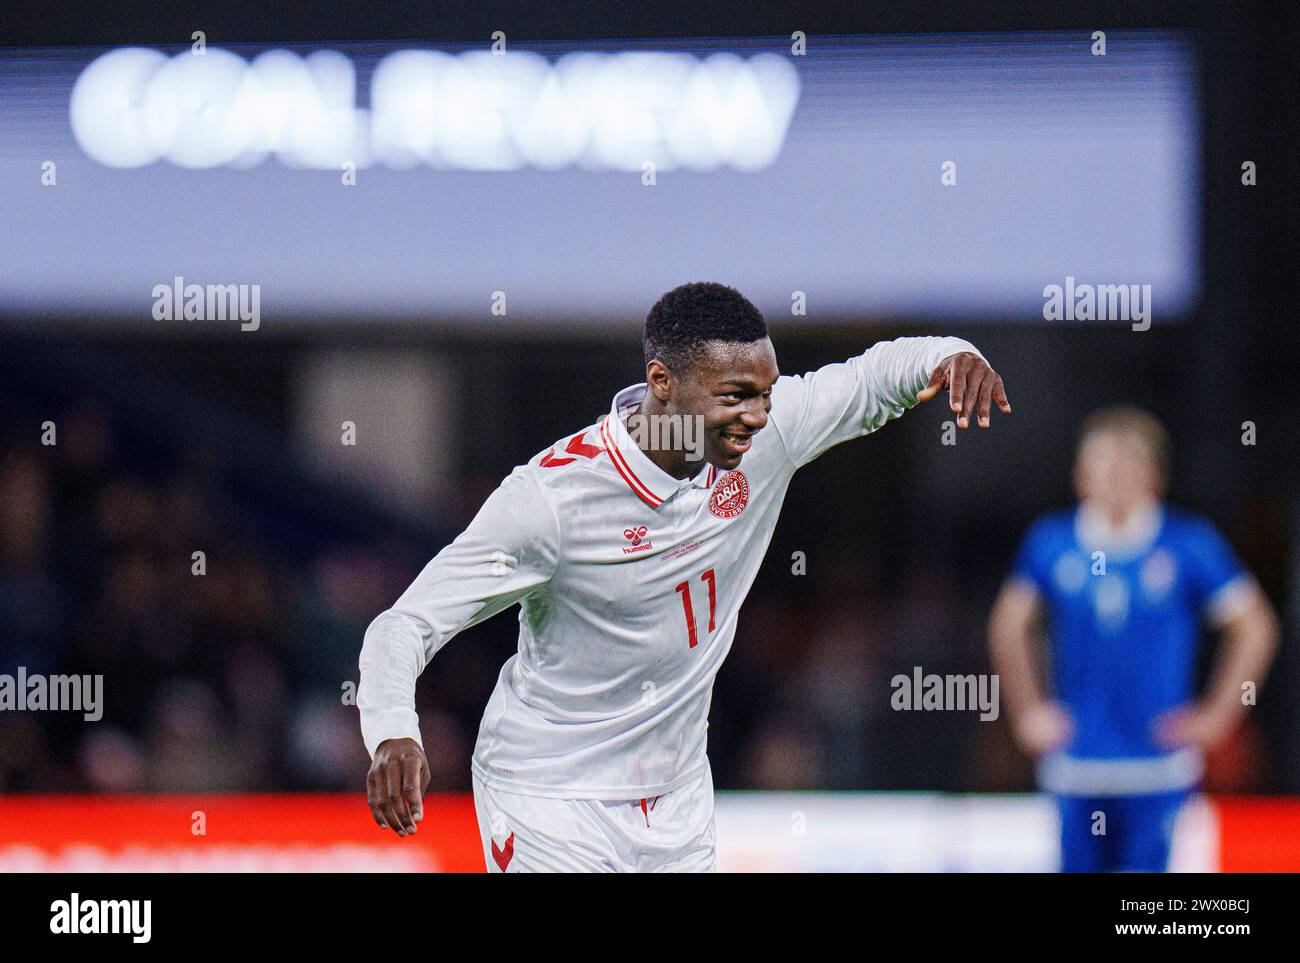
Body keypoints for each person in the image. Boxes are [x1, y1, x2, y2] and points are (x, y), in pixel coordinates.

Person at [359, 281, 1009, 871]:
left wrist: (949, 353)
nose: (756, 414)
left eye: (765, 392)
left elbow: (869, 379)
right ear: (662, 382)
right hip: (549, 790)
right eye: (734, 396)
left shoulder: (763, 437)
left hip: (676, 798)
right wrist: (393, 729)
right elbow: (406, 623)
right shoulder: (552, 499)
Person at [988, 406, 1279, 872]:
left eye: (1128, 465)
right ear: (1081, 474)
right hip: (1078, 764)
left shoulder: (1187, 544)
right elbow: (1008, 624)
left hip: (1157, 765)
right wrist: (1028, 711)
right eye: (1101, 465)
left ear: (1153, 474)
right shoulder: (1053, 543)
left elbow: (1255, 625)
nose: (1113, 478)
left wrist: (1220, 715)